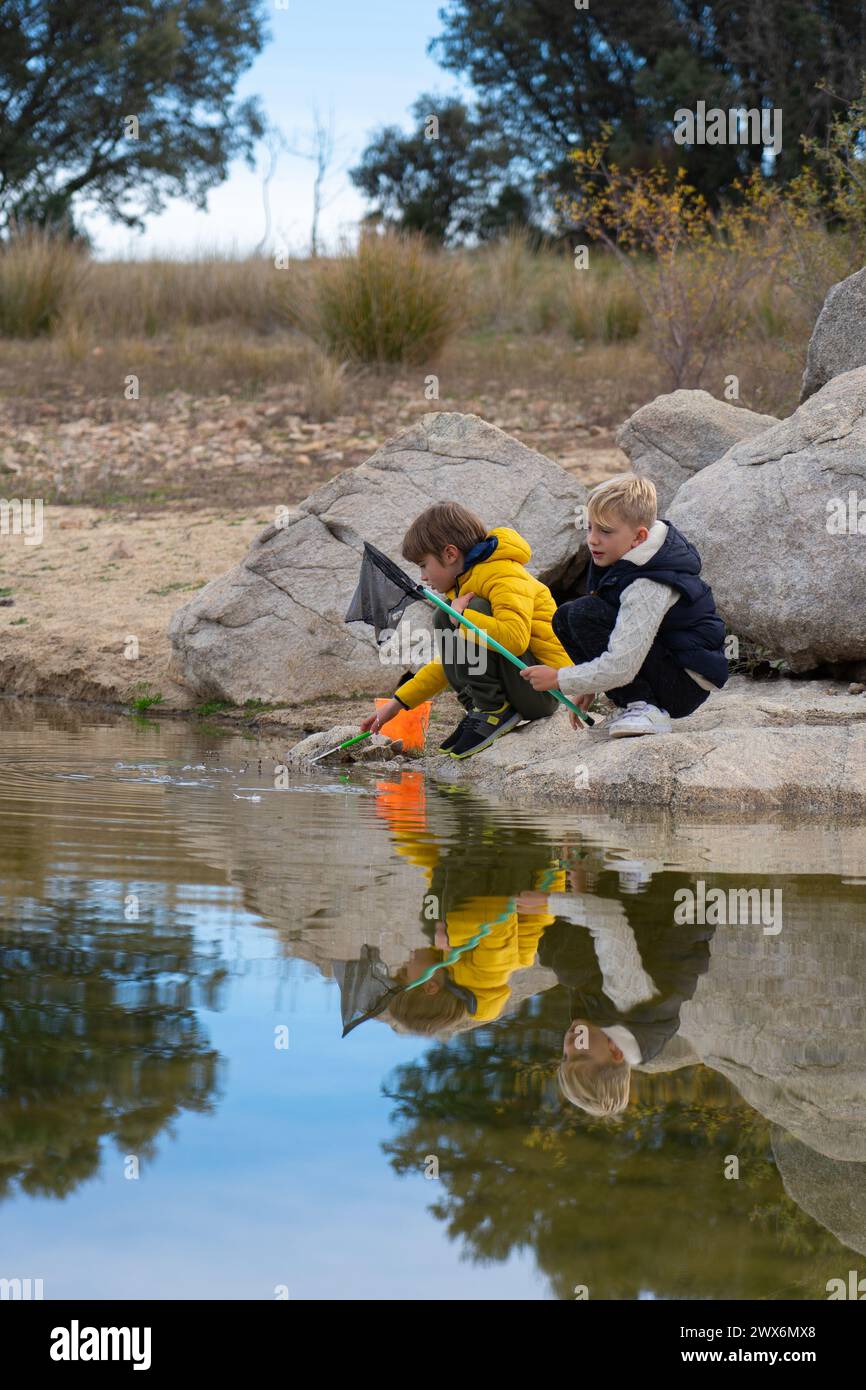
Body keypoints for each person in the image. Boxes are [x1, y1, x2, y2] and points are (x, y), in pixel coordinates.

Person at [360, 501, 572, 760]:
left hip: (542, 690)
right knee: (446, 615)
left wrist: (461, 618)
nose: (423, 577)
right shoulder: (465, 585)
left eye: (423, 565)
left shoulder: (503, 574)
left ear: (450, 554)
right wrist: (398, 703)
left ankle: (492, 711)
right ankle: (482, 711)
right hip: (518, 684)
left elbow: (514, 640)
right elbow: (452, 661)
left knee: (454, 614)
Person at [520, 475, 728, 737]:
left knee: (584, 612)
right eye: (590, 528)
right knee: (567, 615)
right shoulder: (620, 555)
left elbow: (622, 666)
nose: (592, 540)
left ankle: (646, 708)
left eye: (605, 531)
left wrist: (561, 678)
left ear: (639, 536)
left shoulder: (650, 582)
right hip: (661, 661)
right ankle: (631, 703)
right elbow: (607, 622)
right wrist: (589, 685)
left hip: (683, 685)